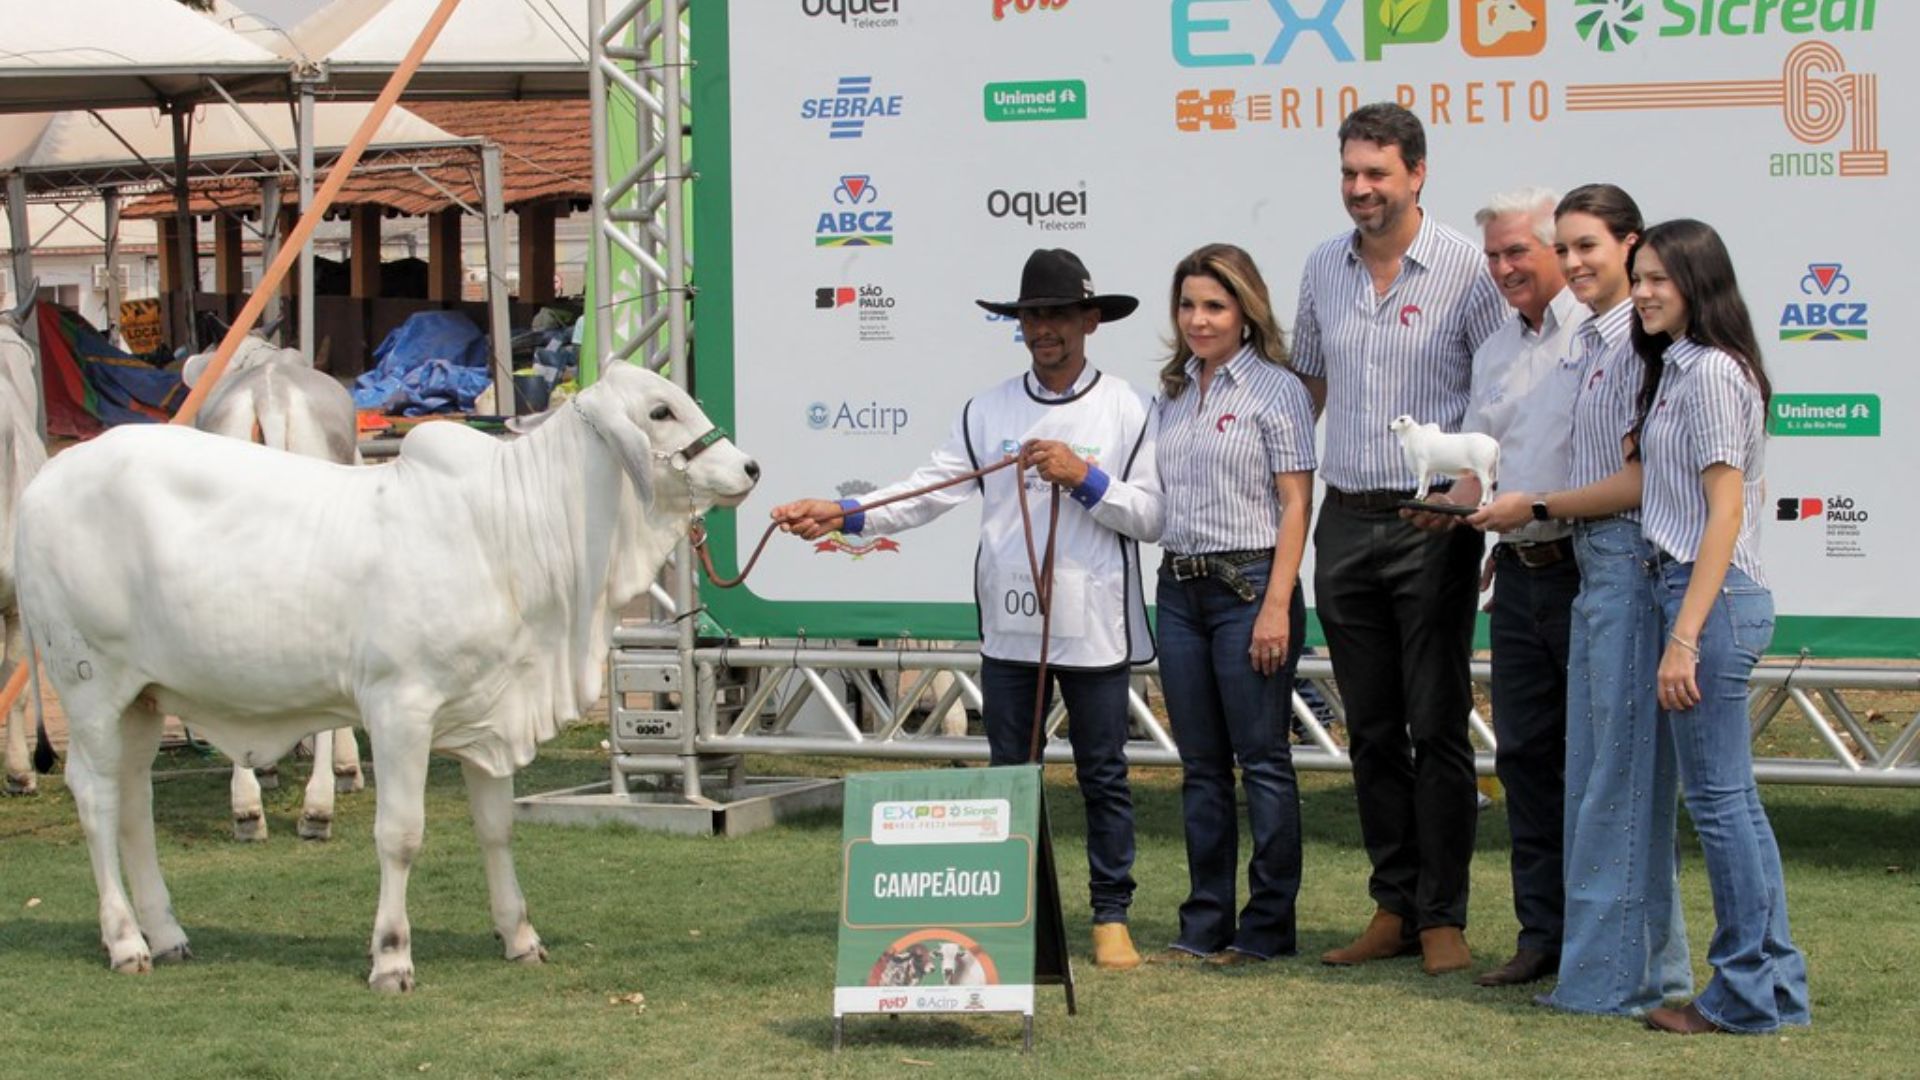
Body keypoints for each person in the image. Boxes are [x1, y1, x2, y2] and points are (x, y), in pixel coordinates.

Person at [770, 248, 1164, 971]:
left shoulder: (1132, 408)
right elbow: (926, 491)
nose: (1045, 330)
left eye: (1058, 316)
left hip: (1097, 626)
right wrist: (843, 513)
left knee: (1102, 773)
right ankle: (1010, 910)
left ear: (1090, 320)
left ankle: (1111, 915)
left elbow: (1152, 516)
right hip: (1012, 627)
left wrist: (1085, 477)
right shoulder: (988, 410)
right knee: (1009, 774)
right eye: (1031, 317)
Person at [1290, 102, 1508, 976]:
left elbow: (1502, 393)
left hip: (1433, 525)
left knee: (1437, 722)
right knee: (1372, 729)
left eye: (1377, 173)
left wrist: (1479, 499)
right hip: (1344, 520)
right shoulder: (1320, 266)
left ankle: (1443, 916)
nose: (1360, 189)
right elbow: (1302, 390)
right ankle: (1394, 906)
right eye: (1349, 172)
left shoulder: (1468, 267)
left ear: (1418, 173)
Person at [1471, 184, 1691, 1015]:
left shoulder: (1639, 343)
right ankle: (1585, 959)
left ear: (1630, 247)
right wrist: (1504, 523)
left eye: (1580, 248)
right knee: (1563, 771)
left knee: (1620, 781)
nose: (1568, 264)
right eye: (1561, 249)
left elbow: (1636, 480)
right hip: (1555, 566)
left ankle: (1636, 972)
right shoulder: (1582, 343)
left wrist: (1534, 510)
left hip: (1612, 564)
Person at [1628, 219, 1809, 1035]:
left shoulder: (1707, 376)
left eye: (1659, 278)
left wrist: (1685, 635)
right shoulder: (1686, 368)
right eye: (1637, 278)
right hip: (1709, 597)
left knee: (1721, 805)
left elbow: (1724, 511)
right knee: (1733, 803)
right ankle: (1774, 990)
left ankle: (1741, 995)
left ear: (1700, 282)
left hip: (1712, 599)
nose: (1642, 292)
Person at [1150, 243, 1316, 966]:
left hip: (1251, 586)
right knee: (1200, 766)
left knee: (1265, 761)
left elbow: (1296, 504)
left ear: (1246, 310)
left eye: (1214, 305)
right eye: (1187, 305)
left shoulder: (1277, 390)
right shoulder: (1173, 390)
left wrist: (1277, 605)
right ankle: (1204, 922)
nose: (1198, 319)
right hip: (1179, 589)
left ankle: (1267, 928)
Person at [1444, 188, 1584, 987]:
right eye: (1493, 255)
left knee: (1596, 765)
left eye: (1516, 252)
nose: (1502, 269)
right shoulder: (1495, 348)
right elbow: (1479, 468)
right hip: (1520, 580)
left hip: (1587, 568)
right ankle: (1542, 936)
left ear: (1559, 249)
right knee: (1526, 759)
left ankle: (1598, 939)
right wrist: (1441, 509)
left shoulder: (1607, 336)